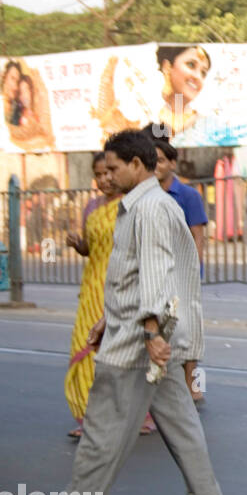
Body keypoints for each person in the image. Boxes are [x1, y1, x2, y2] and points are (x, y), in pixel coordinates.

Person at [34, 128, 229, 495]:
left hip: (139, 344)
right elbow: (134, 276)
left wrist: (149, 331)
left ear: (137, 165)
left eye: (115, 167)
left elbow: (157, 274)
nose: (107, 175)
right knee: (180, 422)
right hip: (146, 334)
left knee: (102, 425)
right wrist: (111, 316)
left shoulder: (150, 209)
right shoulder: (138, 206)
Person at [64, 153, 157, 438]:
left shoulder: (132, 206)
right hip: (92, 288)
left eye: (109, 172)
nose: (105, 179)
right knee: (87, 349)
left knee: (121, 353)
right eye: (99, 174)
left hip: (120, 287)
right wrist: (79, 246)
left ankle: (132, 415)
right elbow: (92, 249)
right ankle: (91, 417)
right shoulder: (92, 207)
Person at [154, 135, 208, 406]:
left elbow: (197, 234)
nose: (157, 165)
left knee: (190, 332)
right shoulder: (148, 194)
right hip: (158, 271)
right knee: (160, 328)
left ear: (173, 163)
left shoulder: (188, 195)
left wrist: (194, 270)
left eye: (161, 160)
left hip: (183, 273)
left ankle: (193, 385)